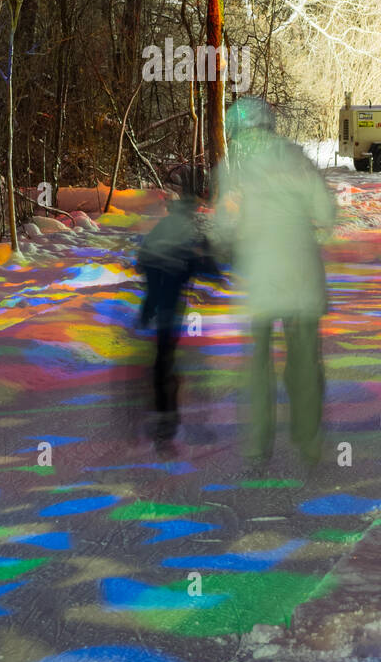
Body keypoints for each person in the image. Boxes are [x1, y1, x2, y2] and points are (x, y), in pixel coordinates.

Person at [210, 97, 335, 467]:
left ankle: (257, 441)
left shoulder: (234, 170)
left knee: (257, 364)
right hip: (301, 276)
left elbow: (223, 225)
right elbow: (326, 213)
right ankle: (309, 439)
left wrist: (226, 246)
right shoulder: (296, 159)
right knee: (304, 361)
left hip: (261, 280)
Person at [136, 179, 216, 446]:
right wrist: (212, 269)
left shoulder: (167, 227)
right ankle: (166, 416)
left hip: (158, 299)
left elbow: (144, 257)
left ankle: (164, 411)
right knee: (164, 356)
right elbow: (206, 265)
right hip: (168, 302)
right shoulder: (191, 233)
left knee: (162, 356)